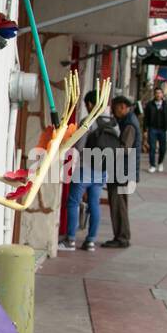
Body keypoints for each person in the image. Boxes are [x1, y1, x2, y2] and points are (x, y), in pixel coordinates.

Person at [61, 90, 113, 251]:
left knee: (73, 202)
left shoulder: (88, 121)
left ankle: (70, 240)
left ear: (90, 104)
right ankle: (90, 241)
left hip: (85, 168)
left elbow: (79, 146)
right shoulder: (112, 122)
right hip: (102, 169)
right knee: (94, 205)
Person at [104, 93, 140, 249]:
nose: (113, 112)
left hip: (122, 171)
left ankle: (122, 237)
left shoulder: (129, 124)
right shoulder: (126, 121)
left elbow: (125, 148)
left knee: (119, 205)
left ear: (123, 107)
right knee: (119, 204)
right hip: (123, 169)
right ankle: (121, 235)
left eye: (115, 108)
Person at [145, 83, 167, 172]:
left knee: (163, 148)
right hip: (152, 129)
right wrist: (145, 129)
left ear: (162, 94)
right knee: (152, 147)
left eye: (160, 93)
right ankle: (152, 165)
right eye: (156, 93)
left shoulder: (166, 105)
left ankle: (160, 163)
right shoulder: (150, 105)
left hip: (163, 129)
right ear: (154, 94)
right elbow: (146, 118)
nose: (158, 94)